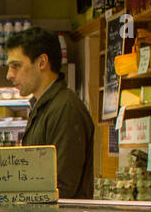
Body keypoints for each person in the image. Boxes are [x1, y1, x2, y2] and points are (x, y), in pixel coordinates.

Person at [5, 27, 94, 199]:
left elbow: (62, 186)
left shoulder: (65, 108)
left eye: (16, 66)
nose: (9, 75)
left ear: (41, 63)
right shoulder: (44, 107)